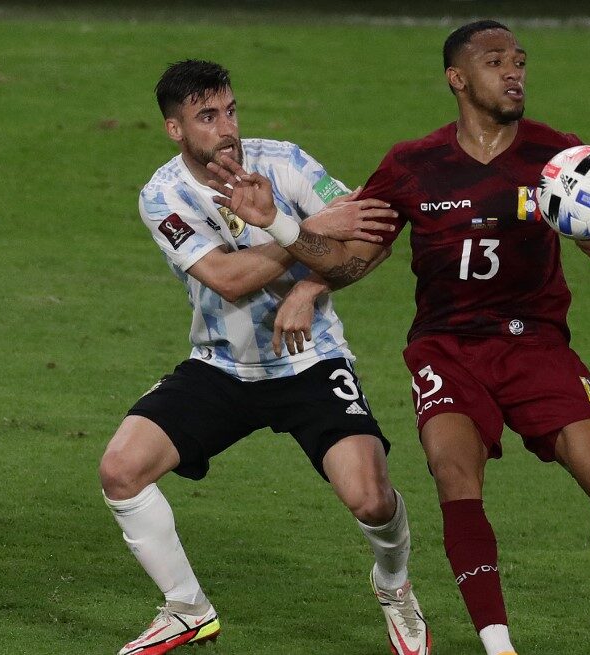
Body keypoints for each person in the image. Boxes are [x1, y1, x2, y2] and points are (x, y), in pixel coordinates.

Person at [205, 20, 590, 655]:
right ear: (457, 78)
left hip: (536, 344)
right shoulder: (411, 164)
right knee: (454, 473)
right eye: (495, 62)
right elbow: (349, 261)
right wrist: (286, 235)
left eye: (519, 61)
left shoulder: (555, 155)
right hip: (447, 348)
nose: (513, 73)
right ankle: (498, 647)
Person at [98, 59, 431, 655]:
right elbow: (226, 278)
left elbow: (372, 232)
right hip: (221, 365)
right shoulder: (163, 197)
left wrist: (307, 286)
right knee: (121, 471)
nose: (226, 129)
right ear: (175, 129)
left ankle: (395, 586)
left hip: (310, 359)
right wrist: (298, 231)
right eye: (206, 116)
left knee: (372, 499)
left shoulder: (284, 161)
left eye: (230, 110)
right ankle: (186, 609)